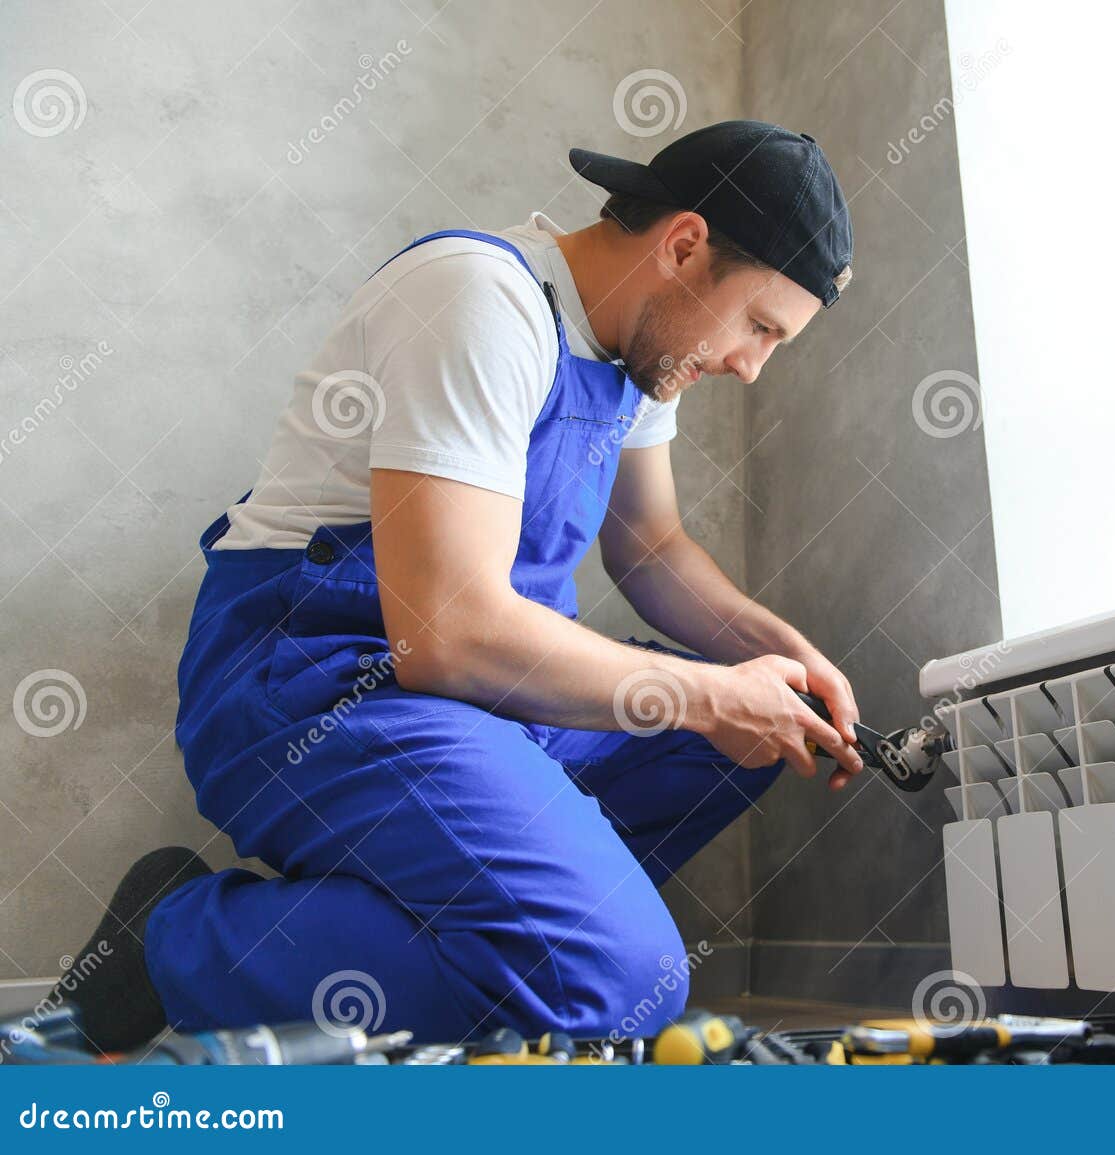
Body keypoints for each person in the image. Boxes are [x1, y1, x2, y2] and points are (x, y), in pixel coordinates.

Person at [57, 120, 860, 1050]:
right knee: (623, 976)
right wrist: (714, 691)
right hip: (319, 674)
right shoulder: (481, 303)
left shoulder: (644, 356)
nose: (750, 365)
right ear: (683, 246)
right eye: (759, 325)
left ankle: (499, 925)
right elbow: (442, 631)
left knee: (743, 741)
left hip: (483, 698)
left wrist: (783, 661)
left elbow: (651, 548)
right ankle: (175, 941)